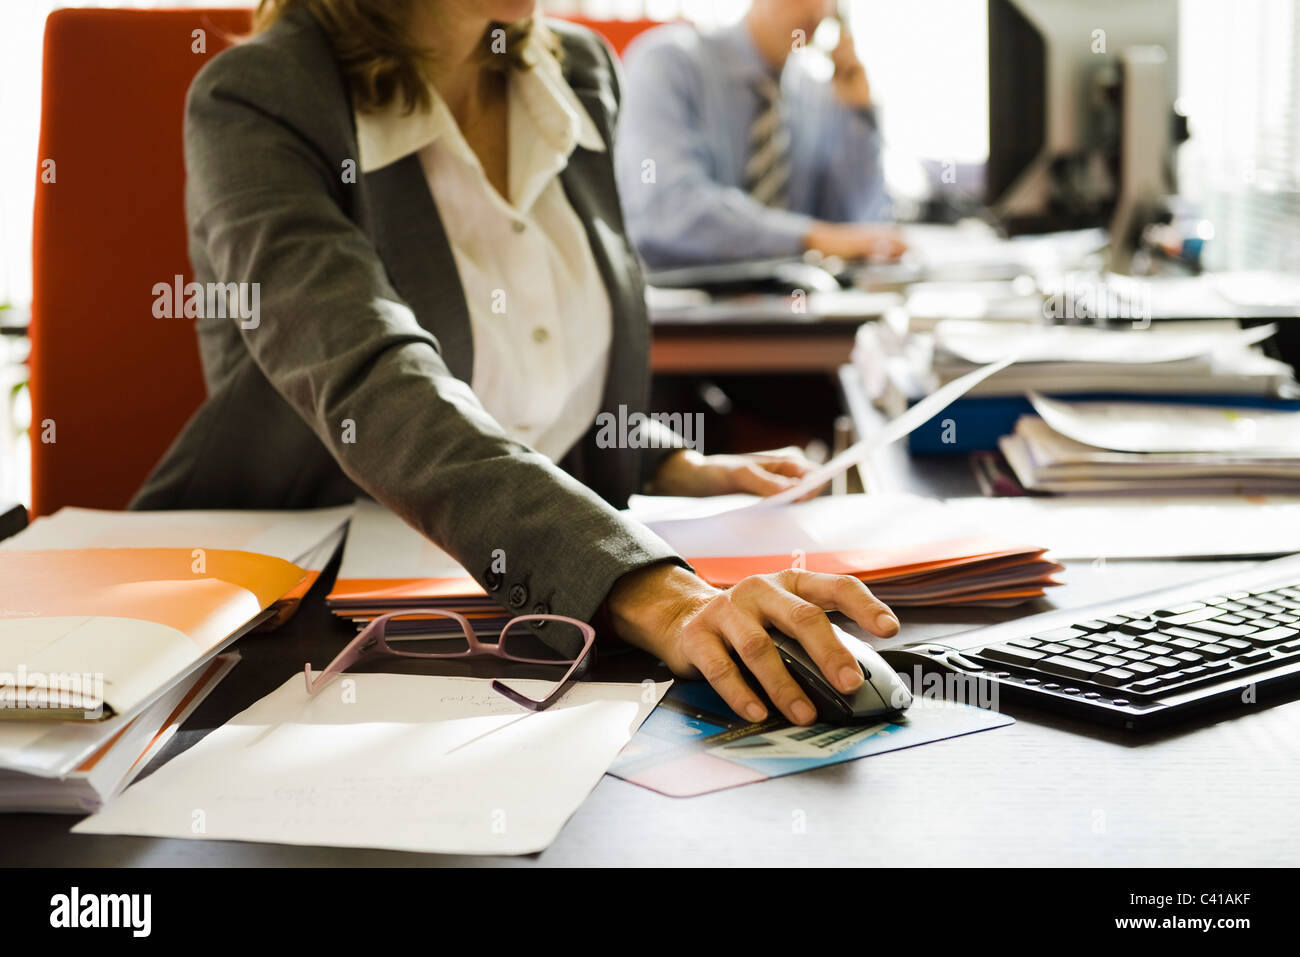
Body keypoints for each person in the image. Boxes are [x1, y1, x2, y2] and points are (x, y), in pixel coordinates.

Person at [132, 0, 900, 727]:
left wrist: (660, 461)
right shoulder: (261, 98)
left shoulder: (578, 72)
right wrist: (650, 588)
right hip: (296, 631)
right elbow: (372, 379)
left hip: (516, 616)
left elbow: (543, 354)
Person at [616, 0, 904, 267]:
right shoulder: (668, 64)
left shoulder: (817, 95)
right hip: (680, 303)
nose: (819, 10)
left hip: (789, 303)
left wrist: (859, 117)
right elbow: (668, 208)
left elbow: (853, 227)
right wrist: (808, 239)